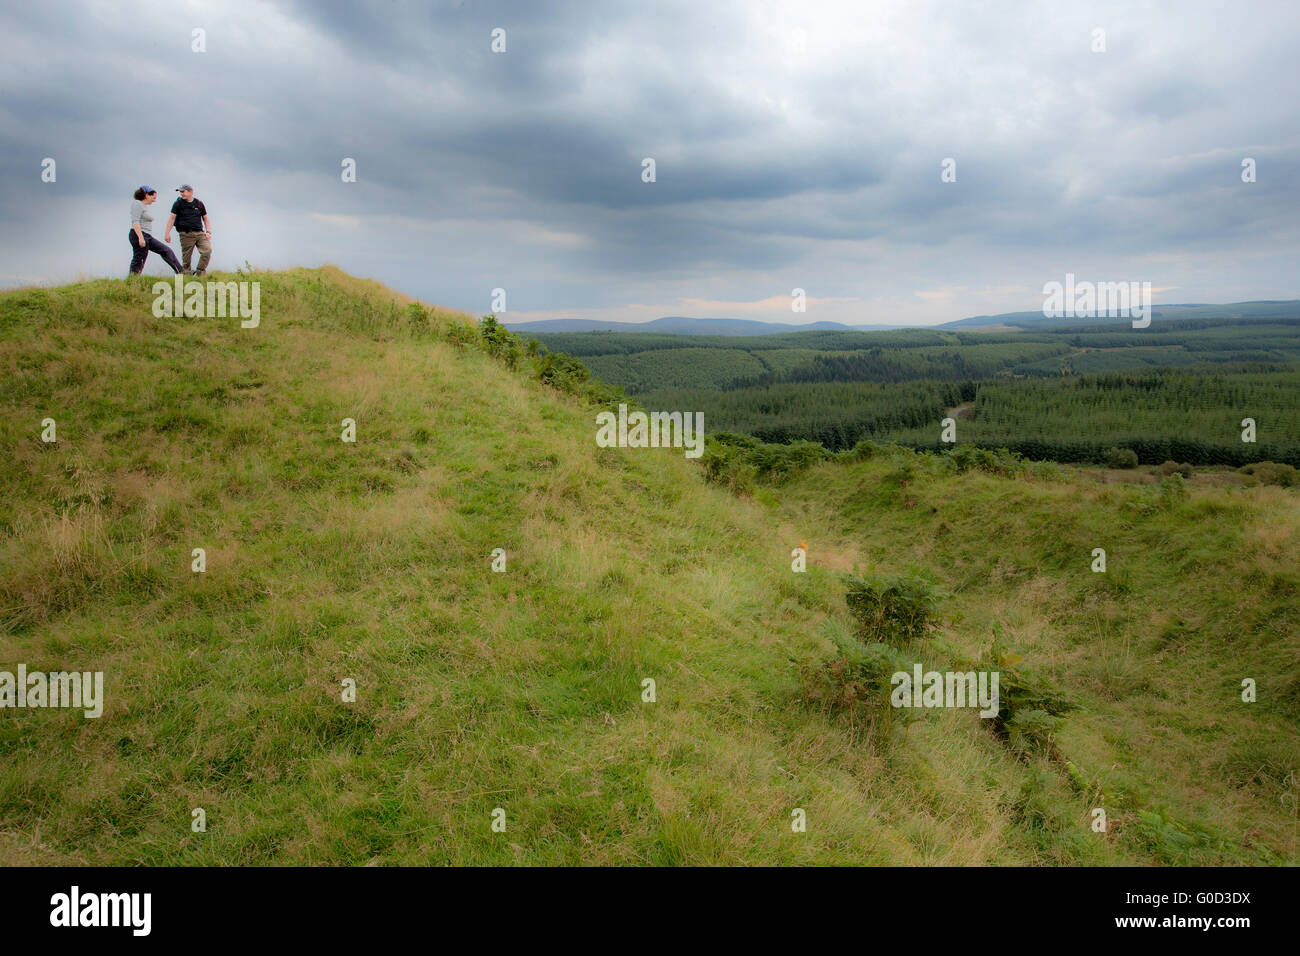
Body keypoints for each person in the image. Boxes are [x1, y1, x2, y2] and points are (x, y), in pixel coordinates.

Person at [128, 186, 182, 276]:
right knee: (139, 259)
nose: (154, 200)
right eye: (153, 198)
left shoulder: (143, 206)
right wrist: (141, 238)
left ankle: (181, 272)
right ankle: (133, 280)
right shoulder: (137, 204)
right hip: (139, 235)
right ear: (146, 195)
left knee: (166, 251)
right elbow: (135, 222)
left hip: (147, 236)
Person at [164, 184, 212, 275]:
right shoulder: (178, 204)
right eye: (180, 192)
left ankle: (200, 272)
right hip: (185, 234)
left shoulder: (199, 203)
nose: (181, 193)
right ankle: (187, 276)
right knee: (186, 259)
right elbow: (172, 218)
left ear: (190, 192)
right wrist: (167, 233)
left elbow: (205, 218)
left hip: (200, 233)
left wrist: (208, 231)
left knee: (207, 250)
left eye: (183, 191)